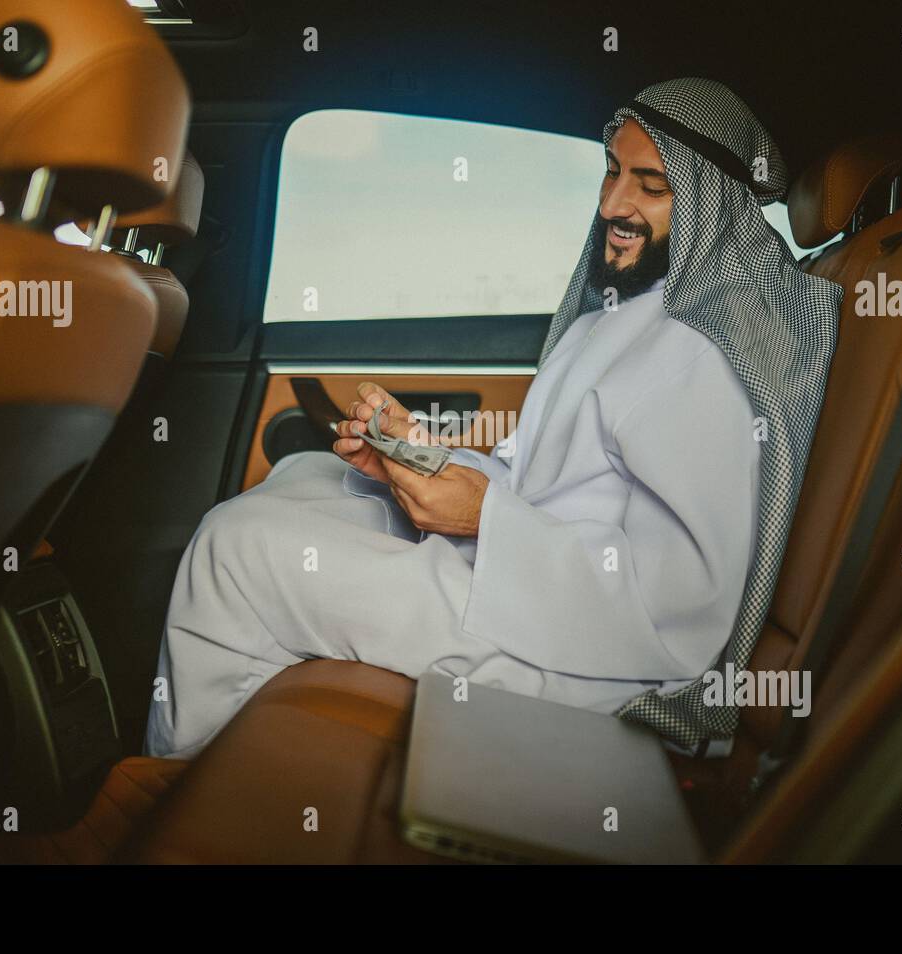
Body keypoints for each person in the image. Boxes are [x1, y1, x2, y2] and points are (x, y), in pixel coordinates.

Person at [145, 78, 841, 760]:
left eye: (649, 186)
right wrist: (422, 456)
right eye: (611, 172)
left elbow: (682, 607)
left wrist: (485, 519)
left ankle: (175, 787)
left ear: (707, 202)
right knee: (305, 471)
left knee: (234, 553)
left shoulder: (708, 354)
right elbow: (540, 473)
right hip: (528, 578)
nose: (611, 203)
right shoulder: (624, 312)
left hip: (593, 651)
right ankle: (246, 755)